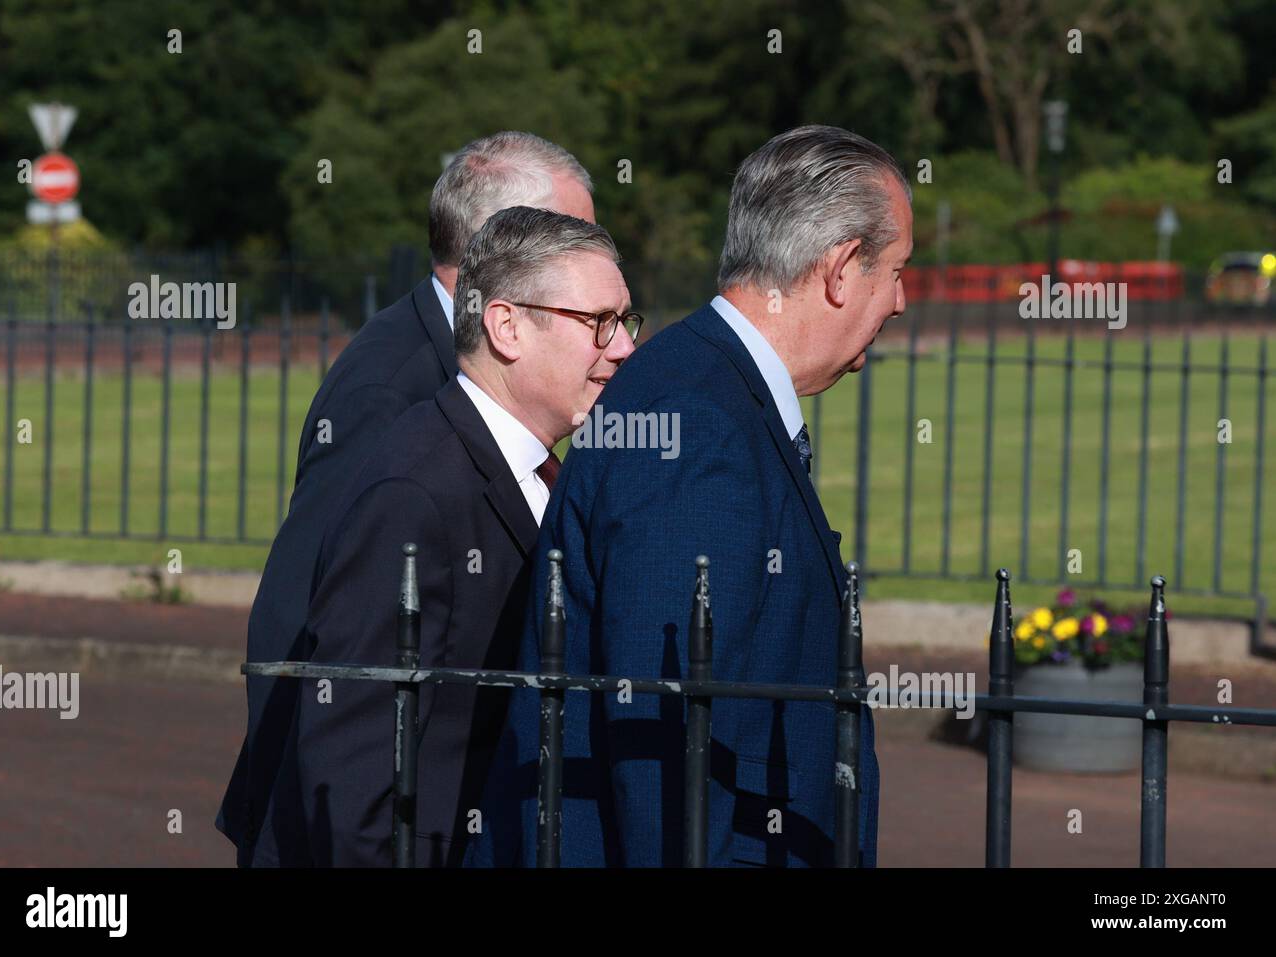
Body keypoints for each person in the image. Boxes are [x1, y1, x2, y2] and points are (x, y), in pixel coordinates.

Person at [468, 125, 912, 867]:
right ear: (840, 269)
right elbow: (664, 732)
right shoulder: (699, 421)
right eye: (896, 270)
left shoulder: (704, 386)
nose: (899, 300)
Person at [217, 133, 596, 866]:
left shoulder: (449, 356)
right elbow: (303, 618)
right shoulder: (396, 388)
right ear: (502, 247)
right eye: (568, 235)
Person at [295, 206, 639, 866]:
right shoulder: (413, 491)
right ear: (506, 325)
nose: (622, 346)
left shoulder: (544, 466)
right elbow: (350, 762)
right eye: (599, 321)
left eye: (625, 321)